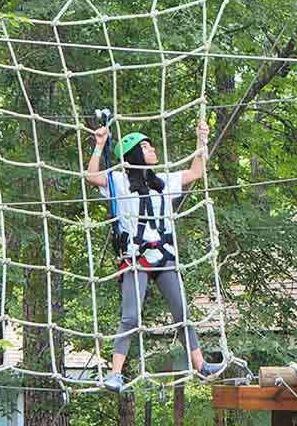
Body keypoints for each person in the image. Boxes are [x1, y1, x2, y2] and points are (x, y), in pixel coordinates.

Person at [85, 122, 225, 392]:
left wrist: (201, 140)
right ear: (135, 154)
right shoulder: (119, 181)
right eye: (146, 147)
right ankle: (115, 373)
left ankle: (201, 365)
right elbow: (91, 177)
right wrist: (99, 145)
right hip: (135, 258)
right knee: (130, 317)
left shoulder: (164, 182)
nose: (153, 150)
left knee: (182, 313)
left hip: (163, 255)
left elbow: (197, 171)